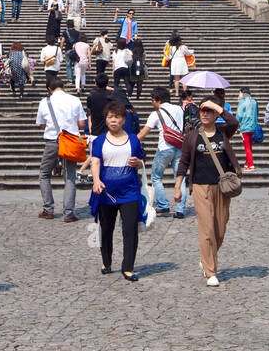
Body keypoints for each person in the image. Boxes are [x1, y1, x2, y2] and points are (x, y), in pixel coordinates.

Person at [175, 99, 240, 286]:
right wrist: (178, 186)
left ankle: (206, 258)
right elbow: (184, 162)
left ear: (215, 114)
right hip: (200, 186)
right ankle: (211, 271)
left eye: (208, 111)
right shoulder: (192, 136)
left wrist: (218, 107)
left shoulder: (223, 132)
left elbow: (235, 123)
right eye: (202, 110)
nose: (204, 114)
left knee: (220, 229)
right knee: (207, 230)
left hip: (222, 187)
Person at [89, 100, 146, 281]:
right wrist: (96, 180)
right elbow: (95, 161)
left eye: (118, 117)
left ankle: (128, 267)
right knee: (106, 228)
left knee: (130, 229)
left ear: (123, 119)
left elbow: (140, 160)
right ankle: (106, 261)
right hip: (106, 191)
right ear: (106, 120)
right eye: (110, 117)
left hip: (129, 190)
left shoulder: (133, 139)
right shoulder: (99, 141)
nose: (114, 120)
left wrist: (138, 163)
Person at [36, 73, 87, 222]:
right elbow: (82, 124)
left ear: (49, 88)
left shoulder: (44, 102)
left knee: (44, 174)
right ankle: (69, 212)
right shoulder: (75, 100)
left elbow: (41, 124)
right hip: (70, 142)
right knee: (70, 176)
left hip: (52, 141)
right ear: (63, 87)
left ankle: (48, 209)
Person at [140, 86, 187, 217]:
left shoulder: (156, 113)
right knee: (180, 178)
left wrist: (131, 141)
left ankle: (163, 205)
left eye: (152, 100)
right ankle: (180, 209)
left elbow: (144, 132)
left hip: (165, 147)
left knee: (156, 177)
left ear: (157, 100)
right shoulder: (179, 109)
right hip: (180, 146)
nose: (151, 103)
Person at [236, 86, 258, 170]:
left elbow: (239, 116)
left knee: (247, 147)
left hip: (245, 127)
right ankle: (247, 163)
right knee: (249, 146)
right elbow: (256, 114)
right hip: (252, 127)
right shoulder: (254, 102)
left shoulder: (242, 103)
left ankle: (251, 164)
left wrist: (236, 125)